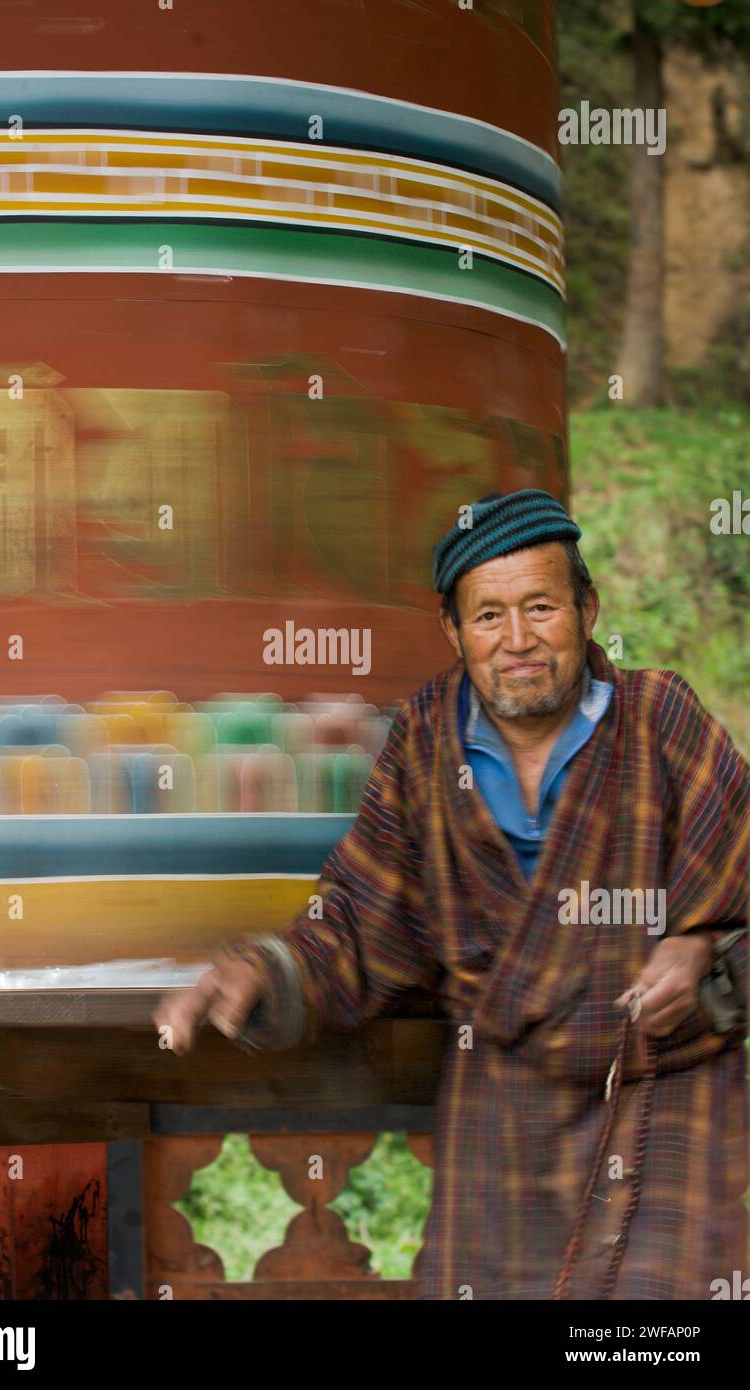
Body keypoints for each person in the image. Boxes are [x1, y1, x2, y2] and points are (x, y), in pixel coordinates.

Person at [155, 488, 749, 1300]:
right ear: (452, 630)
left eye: (541, 607)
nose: (517, 641)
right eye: (488, 616)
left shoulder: (662, 720)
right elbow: (365, 914)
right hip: (502, 1107)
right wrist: (265, 970)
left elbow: (741, 891)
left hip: (656, 1099)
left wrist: (702, 953)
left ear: (588, 609)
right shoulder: (426, 741)